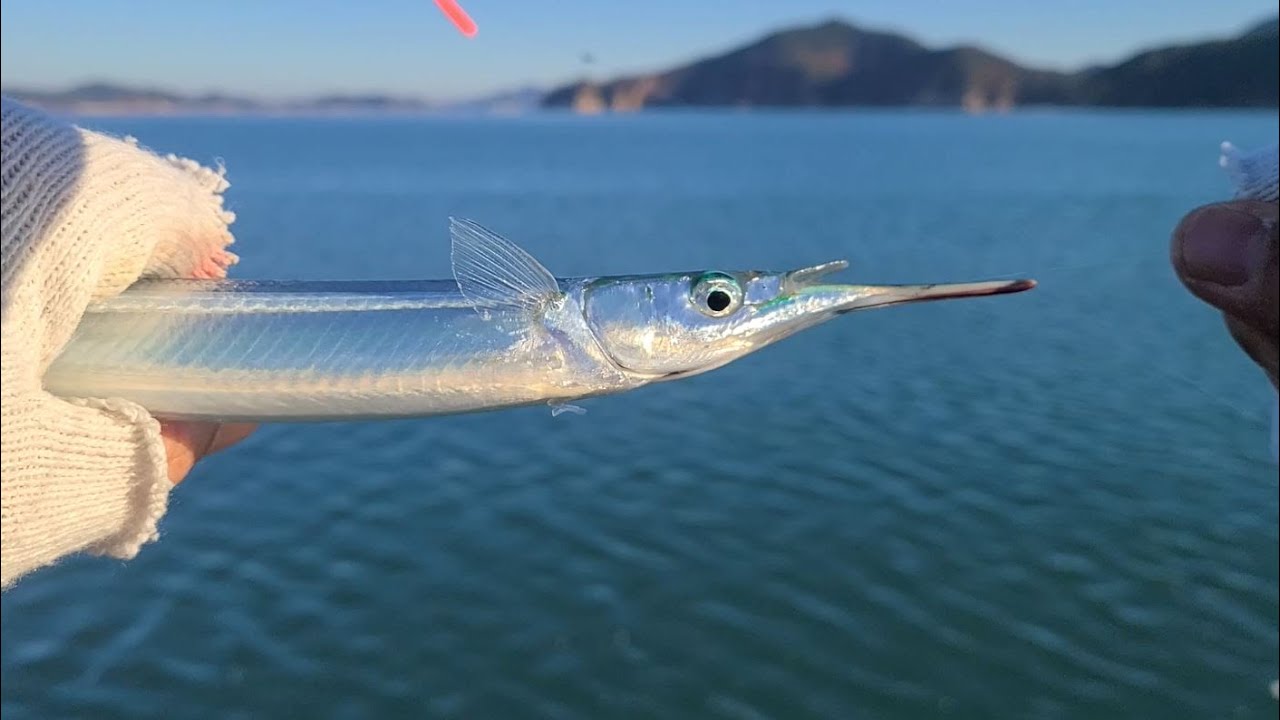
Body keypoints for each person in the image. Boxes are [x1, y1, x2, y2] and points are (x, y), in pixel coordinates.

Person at [1, 94, 1276, 588]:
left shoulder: (564, 347)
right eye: (715, 302)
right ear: (572, 305)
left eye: (727, 307)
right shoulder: (541, 325)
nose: (737, 315)